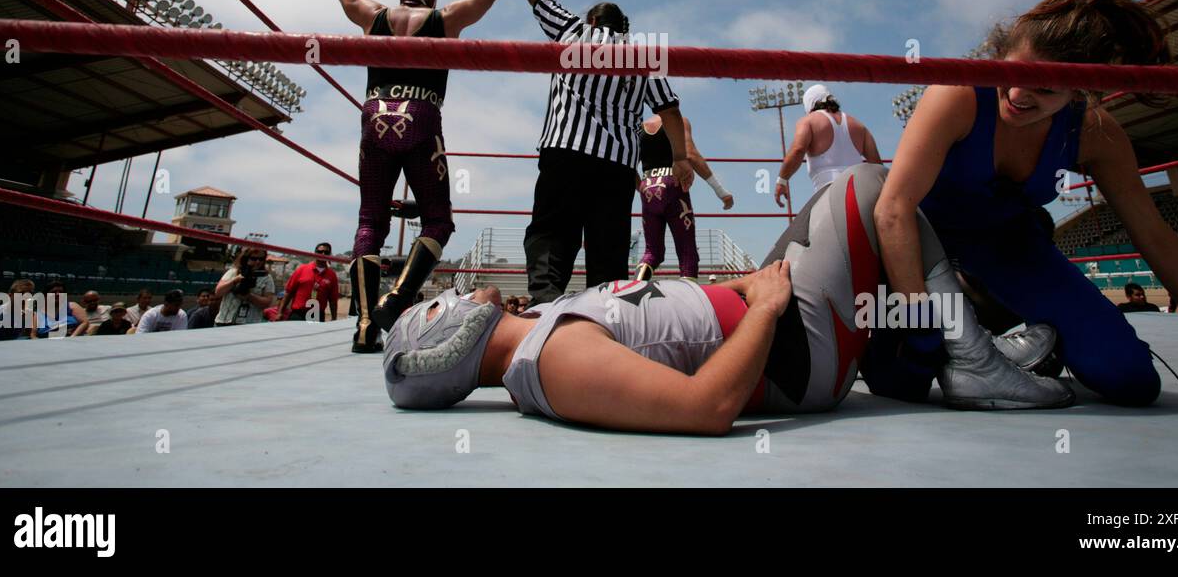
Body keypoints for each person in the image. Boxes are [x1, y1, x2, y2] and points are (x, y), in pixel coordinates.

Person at [379, 164, 1061, 428]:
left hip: (779, 324)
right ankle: (974, 360)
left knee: (875, 215)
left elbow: (670, 311)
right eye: (436, 307)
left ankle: (953, 351)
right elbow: (705, 409)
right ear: (447, 341)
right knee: (873, 188)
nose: (455, 295)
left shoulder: (541, 328)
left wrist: (744, 288)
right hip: (792, 353)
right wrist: (763, 306)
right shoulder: (551, 360)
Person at [868, 0, 1178, 410]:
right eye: (1013, 75)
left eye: (1047, 89)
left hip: (1010, 253)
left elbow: (1154, 235)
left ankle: (1016, 334)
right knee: (899, 381)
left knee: (1132, 381)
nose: (1019, 95)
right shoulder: (957, 94)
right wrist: (921, 323)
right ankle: (977, 329)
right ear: (999, 58)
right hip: (923, 254)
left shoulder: (1095, 132)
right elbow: (893, 208)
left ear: (1081, 90)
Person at [326, 0, 515, 352]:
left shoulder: (374, 15)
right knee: (438, 219)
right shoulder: (444, 19)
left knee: (370, 220)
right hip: (421, 116)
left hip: (374, 115)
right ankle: (395, 299)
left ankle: (362, 325)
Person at [499, 0, 692, 304]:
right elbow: (669, 109)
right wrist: (681, 158)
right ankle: (604, 321)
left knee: (553, 234)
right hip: (616, 166)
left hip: (565, 152)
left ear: (592, 21)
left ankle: (544, 306)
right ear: (624, 27)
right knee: (608, 249)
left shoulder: (573, 32)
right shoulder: (642, 56)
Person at [634, 113, 734, 282]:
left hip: (648, 187)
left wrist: (642, 187)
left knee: (652, 253)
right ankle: (688, 302)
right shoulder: (678, 121)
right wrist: (721, 192)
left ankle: (634, 288)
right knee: (687, 252)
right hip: (673, 183)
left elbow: (628, 164)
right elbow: (691, 154)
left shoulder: (639, 128)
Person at [775, 85, 882, 210]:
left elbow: (798, 149)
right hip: (861, 192)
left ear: (809, 105)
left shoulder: (807, 121)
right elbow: (877, 165)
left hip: (828, 194)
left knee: (802, 227)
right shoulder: (859, 125)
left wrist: (782, 181)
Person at [213, 248, 276, 326]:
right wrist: (235, 281)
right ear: (246, 258)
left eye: (261, 259)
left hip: (250, 324)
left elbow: (268, 302)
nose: (258, 262)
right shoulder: (233, 272)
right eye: (253, 258)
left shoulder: (266, 277)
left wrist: (248, 296)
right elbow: (218, 292)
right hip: (224, 321)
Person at [278, 244, 341, 322]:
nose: (323, 254)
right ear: (314, 253)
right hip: (298, 315)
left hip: (317, 316)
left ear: (329, 255)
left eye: (326, 252)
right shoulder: (302, 269)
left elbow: (333, 301)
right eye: (320, 252)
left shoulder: (332, 275)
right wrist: (280, 313)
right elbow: (289, 292)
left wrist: (334, 319)